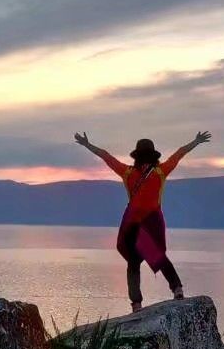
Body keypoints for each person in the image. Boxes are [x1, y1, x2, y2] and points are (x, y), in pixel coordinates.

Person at [74, 129, 212, 312]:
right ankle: (167, 292)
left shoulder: (131, 173)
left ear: (138, 157)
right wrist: (196, 142)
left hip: (136, 224)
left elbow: (107, 157)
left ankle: (145, 301)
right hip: (145, 224)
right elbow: (179, 153)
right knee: (149, 259)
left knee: (140, 262)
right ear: (149, 157)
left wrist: (87, 145)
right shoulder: (157, 171)